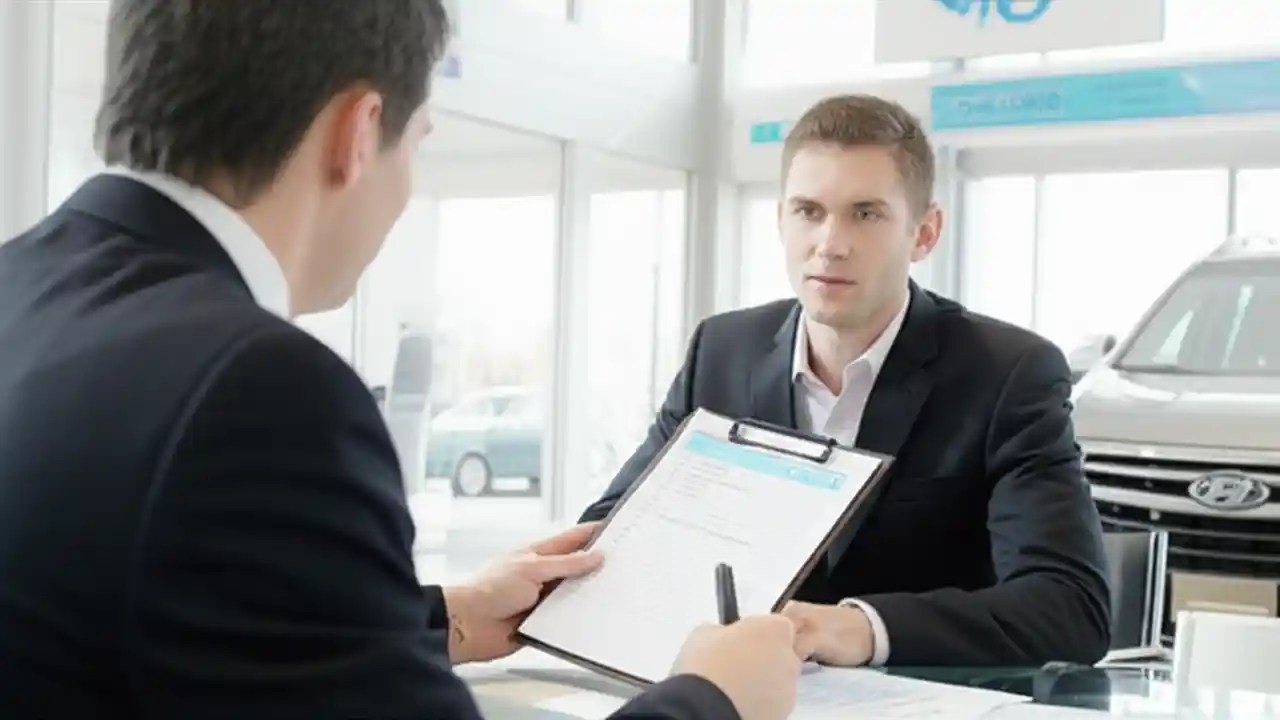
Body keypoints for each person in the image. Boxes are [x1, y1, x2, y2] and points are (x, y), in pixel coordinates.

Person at [0, 2, 802, 718]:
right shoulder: (260, 390)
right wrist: (711, 698)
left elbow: (164, 604)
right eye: (417, 142)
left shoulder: (20, 287)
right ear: (358, 132)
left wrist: (446, 614)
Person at [581, 94, 1111, 668]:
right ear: (780, 219)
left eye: (866, 213)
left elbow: (1070, 609)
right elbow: (609, 538)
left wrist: (856, 629)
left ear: (925, 232)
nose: (830, 244)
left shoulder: (1007, 373)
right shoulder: (722, 352)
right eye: (809, 210)